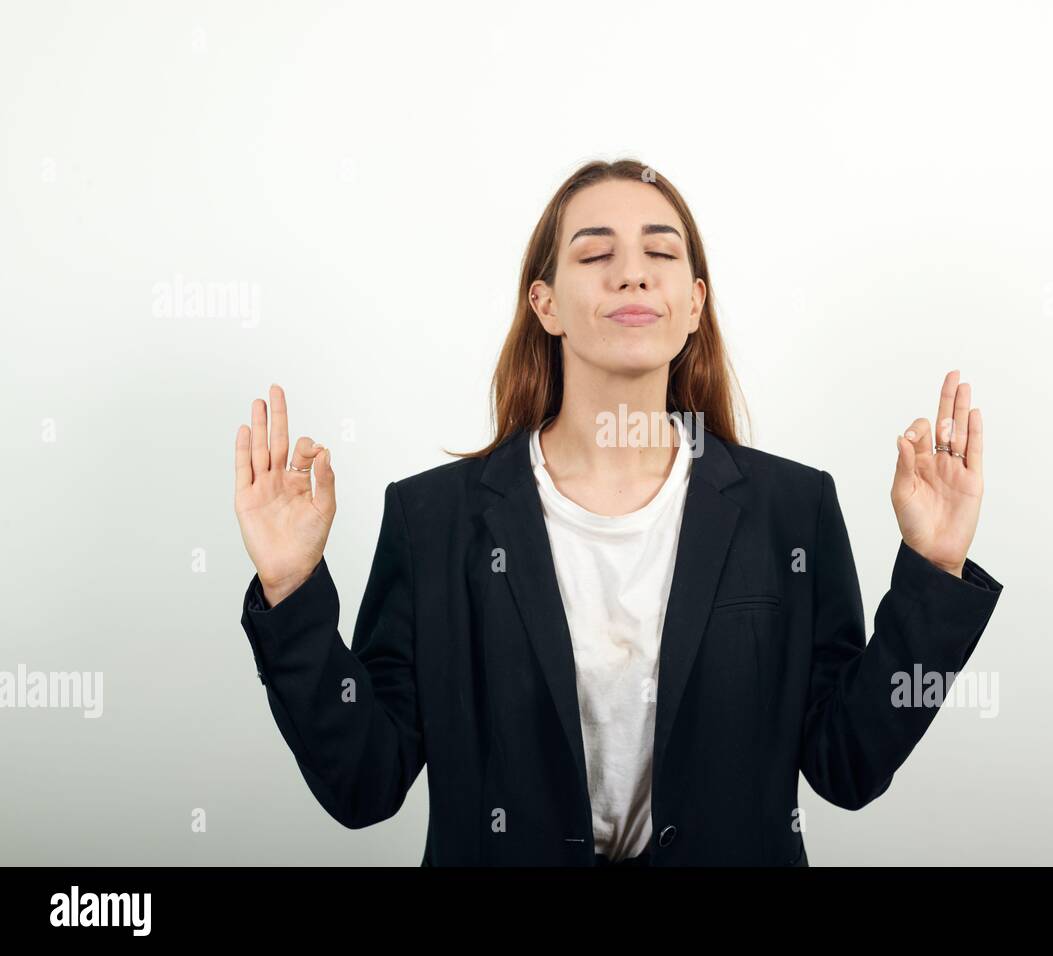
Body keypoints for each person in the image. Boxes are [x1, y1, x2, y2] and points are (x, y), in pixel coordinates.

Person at [233, 158, 1003, 867]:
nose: (632, 275)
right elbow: (365, 783)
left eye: (662, 255)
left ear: (693, 304)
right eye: (595, 256)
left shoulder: (790, 511)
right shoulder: (433, 521)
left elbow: (848, 764)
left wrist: (933, 574)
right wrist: (290, 591)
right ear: (547, 304)